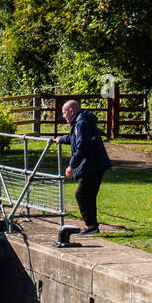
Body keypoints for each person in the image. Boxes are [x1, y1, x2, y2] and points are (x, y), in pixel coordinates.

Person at [62, 99, 112, 234]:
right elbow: (74, 138)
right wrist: (60, 139)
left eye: (64, 113)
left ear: (71, 111)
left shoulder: (82, 123)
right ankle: (92, 226)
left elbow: (81, 147)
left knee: (82, 194)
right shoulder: (81, 121)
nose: (63, 116)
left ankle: (91, 226)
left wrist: (71, 166)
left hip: (93, 165)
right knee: (88, 195)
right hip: (94, 164)